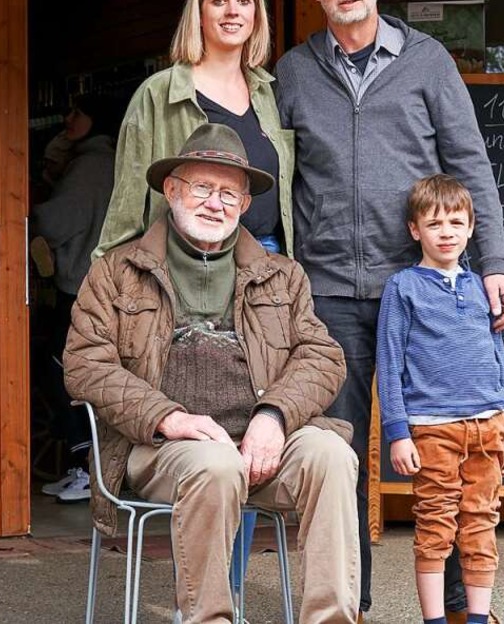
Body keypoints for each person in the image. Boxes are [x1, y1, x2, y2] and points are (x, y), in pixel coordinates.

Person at [275, 0, 504, 623]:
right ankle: (349, 604)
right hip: (326, 291)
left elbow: (471, 168)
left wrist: (493, 264)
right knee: (339, 460)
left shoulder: (427, 61)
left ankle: (452, 611)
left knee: (448, 456)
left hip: (429, 292)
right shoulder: (292, 73)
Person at [64, 123, 360, 623]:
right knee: (214, 466)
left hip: (263, 445)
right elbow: (85, 363)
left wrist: (274, 415)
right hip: (162, 449)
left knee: (330, 453)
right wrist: (169, 418)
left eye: (228, 193)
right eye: (202, 188)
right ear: (172, 191)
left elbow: (322, 356)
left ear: (245, 205)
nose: (214, 203)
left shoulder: (281, 274)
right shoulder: (116, 272)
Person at [377, 175, 504, 624]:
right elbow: (389, 360)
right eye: (434, 223)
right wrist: (397, 433)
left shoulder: (482, 287)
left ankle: (476, 618)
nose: (446, 232)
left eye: (457, 222)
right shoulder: (403, 287)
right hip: (432, 428)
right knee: (435, 526)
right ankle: (435, 620)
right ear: (414, 230)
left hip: (489, 425)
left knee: (481, 523)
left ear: (472, 228)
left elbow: (499, 358)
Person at [95, 0, 293, 259]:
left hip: (264, 260)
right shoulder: (159, 93)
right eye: (218, 1)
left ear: (256, 13)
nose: (232, 11)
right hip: (183, 260)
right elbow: (127, 203)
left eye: (244, 1)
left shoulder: (269, 93)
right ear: (199, 13)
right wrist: (109, 278)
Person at [32, 92, 120, 502]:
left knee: (63, 369)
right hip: (100, 283)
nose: (68, 117)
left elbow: (57, 220)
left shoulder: (90, 166)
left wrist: (31, 211)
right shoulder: (102, 159)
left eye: (78, 112)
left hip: (82, 284)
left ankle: (86, 466)